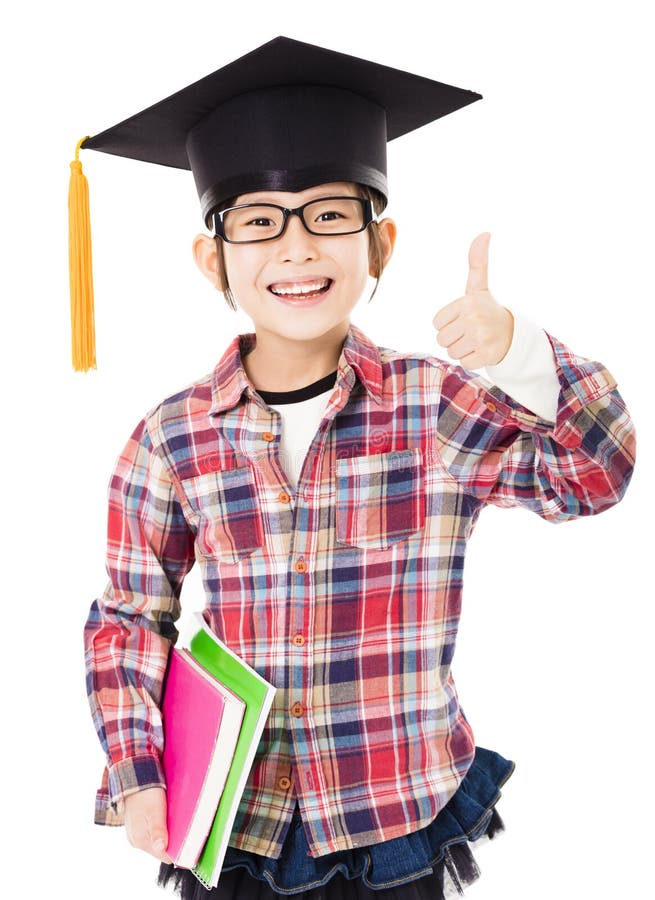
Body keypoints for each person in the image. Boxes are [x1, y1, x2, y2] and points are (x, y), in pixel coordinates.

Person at [80, 36, 636, 900]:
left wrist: (520, 355)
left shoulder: (436, 404)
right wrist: (137, 773)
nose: (297, 249)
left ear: (380, 245)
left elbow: (594, 478)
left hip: (394, 812)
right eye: (258, 221)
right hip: (238, 820)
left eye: (330, 214)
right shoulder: (172, 436)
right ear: (212, 258)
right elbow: (128, 617)